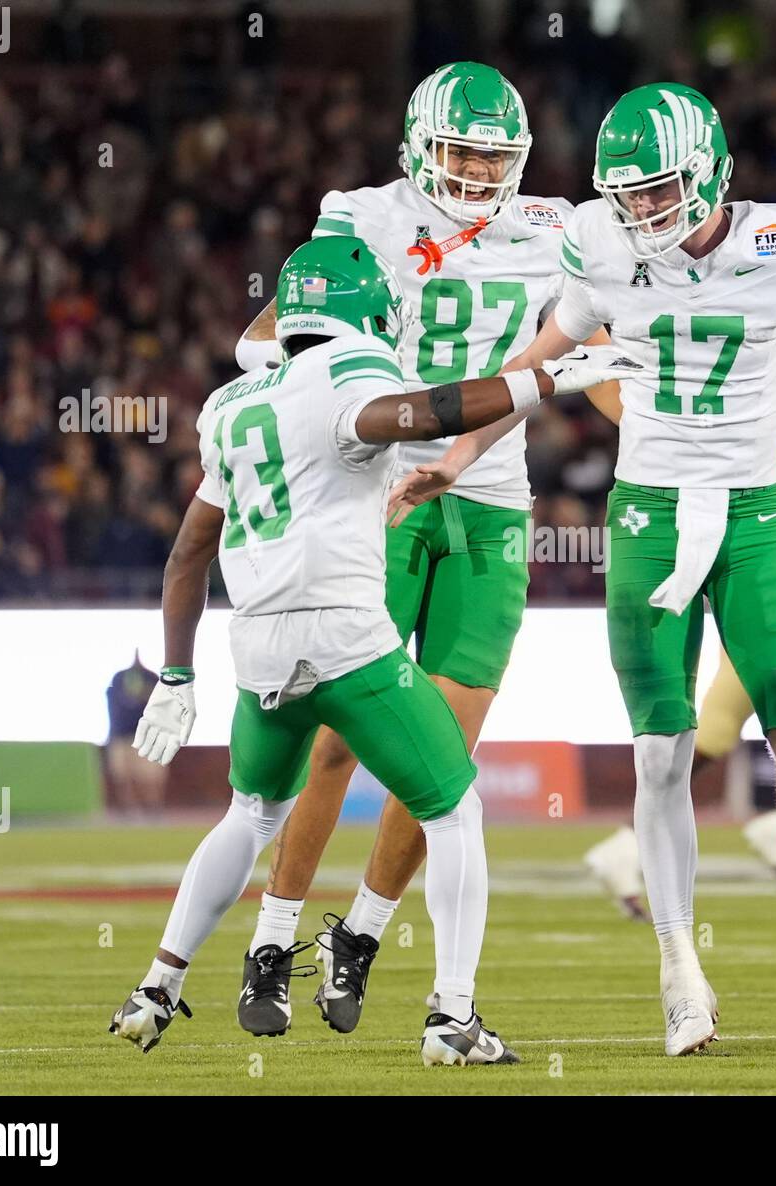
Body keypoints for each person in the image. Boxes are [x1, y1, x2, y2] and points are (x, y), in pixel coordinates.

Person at [390, 83, 776, 1055]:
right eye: (627, 193)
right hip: (646, 515)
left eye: (659, 189)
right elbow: (541, 360)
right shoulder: (597, 243)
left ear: (712, 169)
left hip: (752, 514)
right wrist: (458, 455)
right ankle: (679, 969)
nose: (641, 210)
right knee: (661, 753)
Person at [108, 233, 637, 1064]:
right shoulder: (350, 370)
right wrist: (548, 378)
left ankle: (157, 985)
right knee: (453, 806)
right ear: (364, 312)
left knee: (249, 814)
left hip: (260, 653)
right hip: (347, 639)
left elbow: (185, 557)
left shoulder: (230, 402)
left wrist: (176, 675)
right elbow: (414, 416)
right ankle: (452, 1017)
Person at [233, 61, 619, 1037]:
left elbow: (597, 354)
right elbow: (273, 330)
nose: (483, 174)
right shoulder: (360, 216)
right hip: (378, 493)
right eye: (464, 152)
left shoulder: (555, 229)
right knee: (334, 736)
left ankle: (360, 933)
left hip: (489, 503)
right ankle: (272, 942)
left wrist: (662, 426)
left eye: (498, 157)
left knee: (442, 756)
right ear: (417, 145)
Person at [583, 360, 776, 915]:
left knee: (712, 738)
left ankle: (623, 847)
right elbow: (743, 524)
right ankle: (771, 828)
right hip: (758, 606)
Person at [104, 650, 166, 816]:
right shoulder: (118, 679)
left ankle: (153, 809)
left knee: (149, 777)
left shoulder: (151, 678)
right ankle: (129, 810)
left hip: (146, 736)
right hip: (121, 735)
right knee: (123, 775)